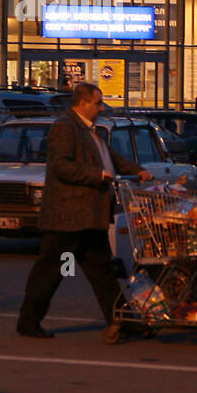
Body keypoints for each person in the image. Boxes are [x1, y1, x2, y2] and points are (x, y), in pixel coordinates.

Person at [16, 82, 153, 340]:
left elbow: (112, 159)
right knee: (49, 272)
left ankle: (122, 320)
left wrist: (138, 171)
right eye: (97, 103)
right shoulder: (64, 128)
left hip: (89, 217)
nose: (101, 108)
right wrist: (97, 175)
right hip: (67, 217)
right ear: (82, 103)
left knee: (103, 273)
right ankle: (28, 322)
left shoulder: (90, 130)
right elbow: (61, 167)